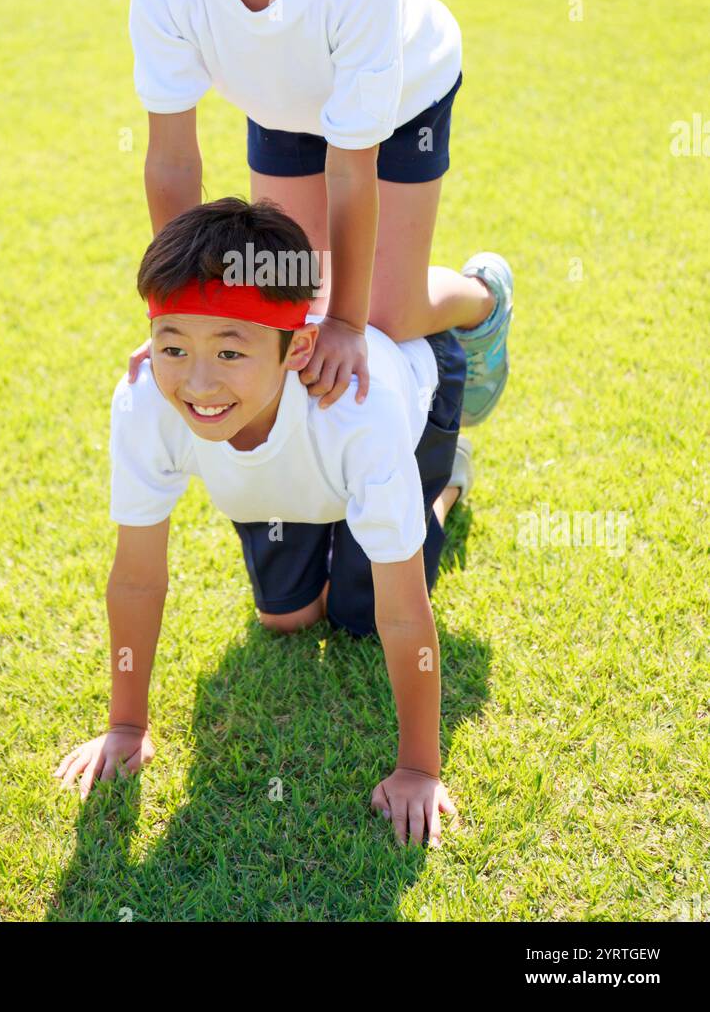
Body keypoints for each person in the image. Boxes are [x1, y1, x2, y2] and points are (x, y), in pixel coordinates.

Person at [54, 199, 496, 850]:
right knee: (286, 617)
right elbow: (138, 578)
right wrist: (126, 725)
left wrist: (418, 770)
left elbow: (403, 616)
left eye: (230, 352)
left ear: (301, 347)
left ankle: (443, 480)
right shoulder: (150, 397)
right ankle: (355, 511)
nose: (197, 382)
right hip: (289, 477)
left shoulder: (362, 416)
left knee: (360, 612)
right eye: (173, 345)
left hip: (415, 397)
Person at [125, 0, 513, 424]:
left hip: (402, 101)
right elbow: (173, 160)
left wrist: (346, 324)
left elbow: (349, 168)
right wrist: (179, 318)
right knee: (289, 290)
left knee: (381, 315)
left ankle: (482, 301)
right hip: (281, 106)